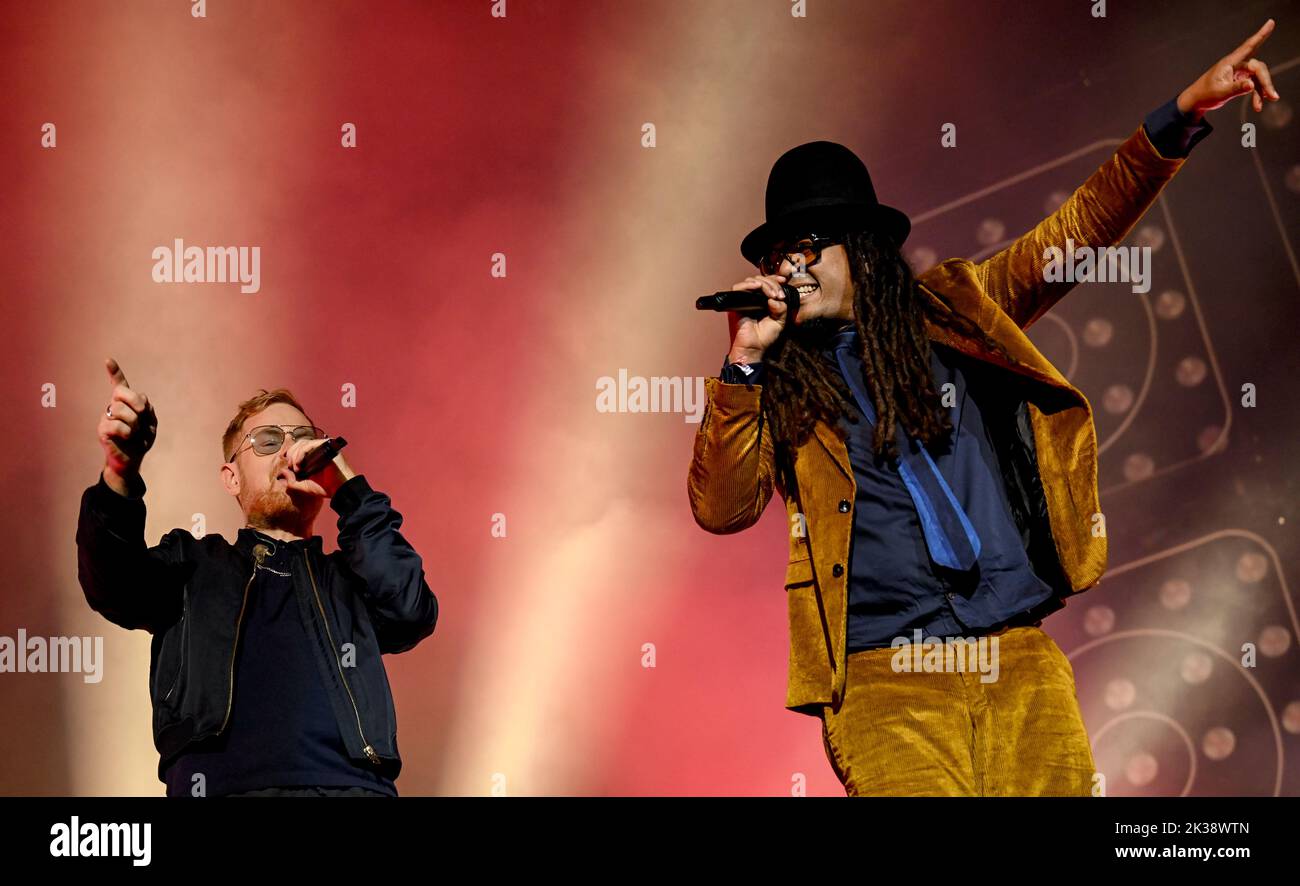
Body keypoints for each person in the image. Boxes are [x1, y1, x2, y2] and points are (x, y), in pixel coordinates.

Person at [687, 20, 1279, 796]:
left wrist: (1179, 118)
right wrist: (743, 361)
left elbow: (1074, 235)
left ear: (859, 247)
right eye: (776, 255)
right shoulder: (776, 382)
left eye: (809, 245)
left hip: (1017, 658)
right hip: (884, 679)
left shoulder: (956, 308)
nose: (789, 266)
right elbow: (722, 509)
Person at [77, 358, 438, 797]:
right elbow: (113, 584)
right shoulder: (193, 565)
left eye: (304, 439)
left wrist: (348, 490)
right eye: (267, 441)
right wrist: (120, 472)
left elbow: (410, 610)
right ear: (231, 478)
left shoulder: (349, 579)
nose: (290, 450)